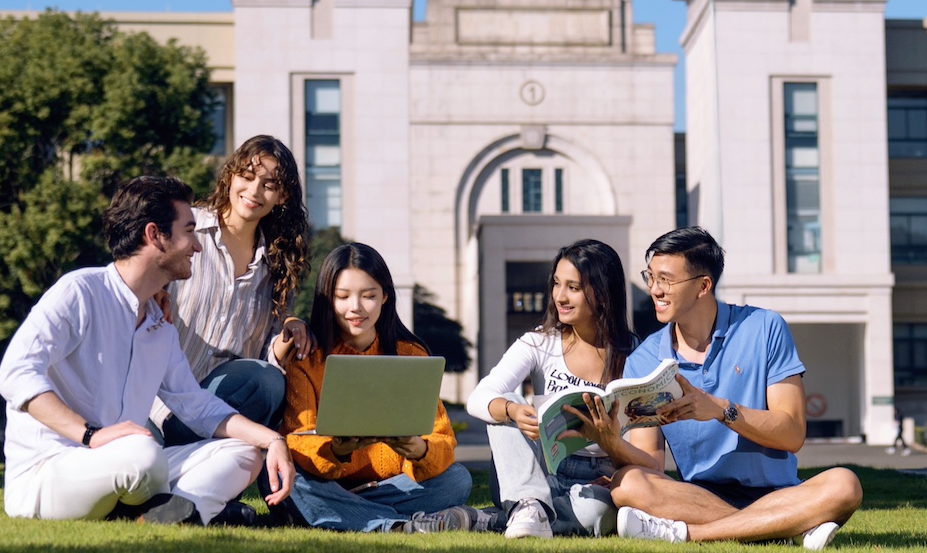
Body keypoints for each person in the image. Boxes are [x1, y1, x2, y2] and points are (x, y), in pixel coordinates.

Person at [0, 176, 297, 524]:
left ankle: (173, 514)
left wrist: (272, 441)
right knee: (143, 454)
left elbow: (196, 405)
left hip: (128, 464)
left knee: (243, 454)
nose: (197, 248)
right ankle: (189, 510)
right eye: (188, 232)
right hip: (51, 471)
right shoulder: (80, 292)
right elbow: (15, 374)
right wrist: (91, 434)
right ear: (155, 235)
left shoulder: (159, 324)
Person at [602, 228, 862, 547]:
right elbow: (651, 465)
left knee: (845, 484)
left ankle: (691, 534)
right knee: (627, 484)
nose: (654, 290)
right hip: (696, 497)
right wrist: (609, 440)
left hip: (777, 492)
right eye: (650, 277)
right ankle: (788, 525)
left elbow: (792, 434)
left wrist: (720, 411)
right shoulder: (643, 360)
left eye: (666, 279)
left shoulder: (765, 328)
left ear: (703, 286)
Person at [279, 241, 481, 533]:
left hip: (392, 486)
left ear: (385, 296)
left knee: (457, 479)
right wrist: (336, 450)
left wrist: (419, 449)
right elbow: (297, 440)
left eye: (369, 296)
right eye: (343, 296)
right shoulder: (307, 359)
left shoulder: (411, 354)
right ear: (327, 299)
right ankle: (396, 524)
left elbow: (443, 439)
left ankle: (343, 512)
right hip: (326, 482)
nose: (355, 308)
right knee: (289, 479)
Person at [468, 239, 635, 538]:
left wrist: (616, 477)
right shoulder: (538, 342)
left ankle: (498, 519)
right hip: (539, 468)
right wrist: (513, 411)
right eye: (557, 284)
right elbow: (478, 398)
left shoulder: (634, 353)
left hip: (600, 477)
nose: (560, 296)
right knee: (504, 400)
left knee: (598, 513)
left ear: (602, 293)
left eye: (573, 287)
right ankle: (531, 504)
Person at [155, 135, 313, 449]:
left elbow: (263, 356)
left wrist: (288, 334)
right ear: (231, 176)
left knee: (267, 379)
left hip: (224, 409)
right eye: (247, 176)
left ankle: (210, 458)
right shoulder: (187, 228)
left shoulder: (277, 266)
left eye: (268, 185)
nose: (253, 191)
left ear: (282, 197)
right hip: (159, 402)